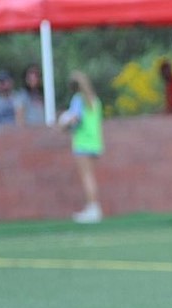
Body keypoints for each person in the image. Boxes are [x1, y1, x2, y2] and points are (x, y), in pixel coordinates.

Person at [57, 71, 104, 224]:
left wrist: (63, 124)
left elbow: (75, 119)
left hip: (82, 143)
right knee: (90, 176)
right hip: (95, 143)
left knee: (87, 177)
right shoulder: (95, 100)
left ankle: (93, 208)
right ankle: (93, 207)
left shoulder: (78, 99)